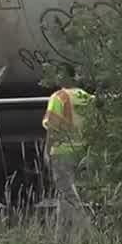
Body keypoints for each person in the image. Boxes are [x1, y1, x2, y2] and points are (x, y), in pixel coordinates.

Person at [42, 85, 94, 233]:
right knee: (64, 198)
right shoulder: (86, 97)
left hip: (62, 152)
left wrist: (47, 151)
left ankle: (90, 235)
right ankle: (61, 240)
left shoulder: (59, 97)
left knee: (68, 195)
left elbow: (52, 128)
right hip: (82, 152)